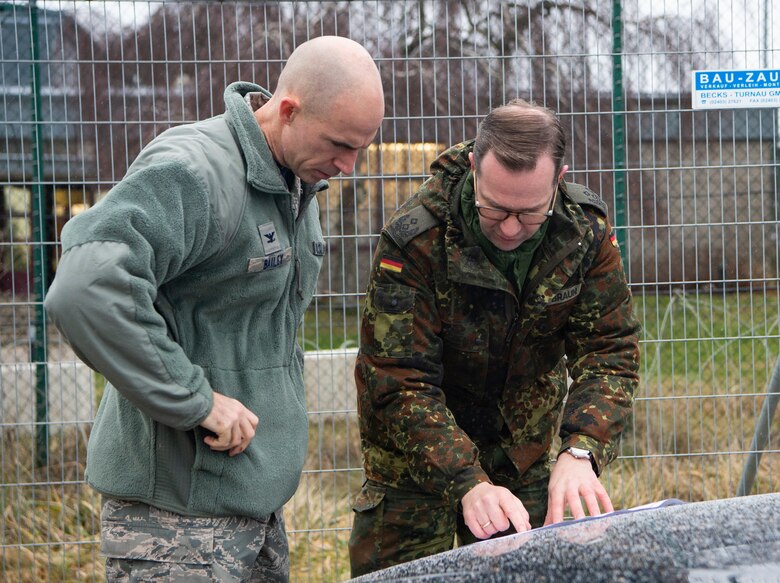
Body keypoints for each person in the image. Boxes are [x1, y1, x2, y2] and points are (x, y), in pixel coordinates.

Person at [44, 35, 384, 582]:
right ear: (289, 109)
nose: (349, 164)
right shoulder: (195, 173)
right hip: (174, 524)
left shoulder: (293, 180)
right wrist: (195, 399)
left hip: (254, 505)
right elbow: (85, 287)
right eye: (340, 144)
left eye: (361, 148)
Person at [349, 98, 640, 576]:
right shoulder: (416, 237)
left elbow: (609, 352)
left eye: (529, 214)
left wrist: (580, 450)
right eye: (494, 208)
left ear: (558, 180)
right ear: (472, 168)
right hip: (414, 467)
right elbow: (399, 380)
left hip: (518, 454)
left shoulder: (583, 232)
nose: (509, 228)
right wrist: (466, 480)